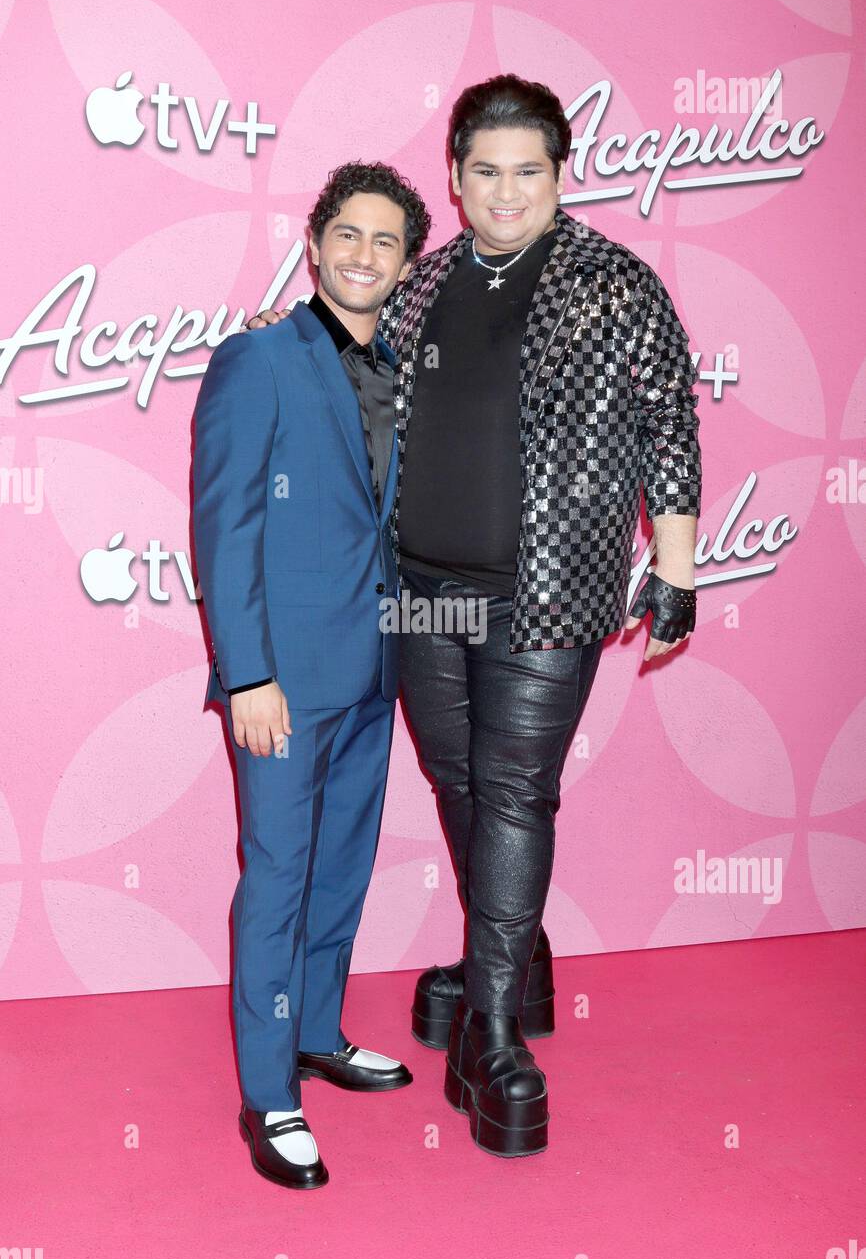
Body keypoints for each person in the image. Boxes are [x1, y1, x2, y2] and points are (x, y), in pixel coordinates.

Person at [249, 74, 702, 1158]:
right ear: (454, 180)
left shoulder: (614, 285)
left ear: (558, 176)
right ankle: (513, 956)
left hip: (545, 594)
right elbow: (344, 351)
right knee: (459, 782)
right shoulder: (421, 284)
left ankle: (492, 1033)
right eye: (484, 171)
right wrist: (285, 334)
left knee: (512, 790)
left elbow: (669, 426)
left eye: (526, 172)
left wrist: (675, 573)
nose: (504, 191)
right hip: (414, 588)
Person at [193, 161, 431, 1188]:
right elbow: (222, 523)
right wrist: (246, 673)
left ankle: (316, 1032)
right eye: (347, 233)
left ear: (406, 262)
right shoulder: (258, 359)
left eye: (384, 241)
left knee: (341, 867)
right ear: (313, 241)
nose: (362, 254)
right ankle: (267, 1093)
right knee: (280, 879)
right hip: (281, 681)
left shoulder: (408, 370)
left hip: (375, 673)